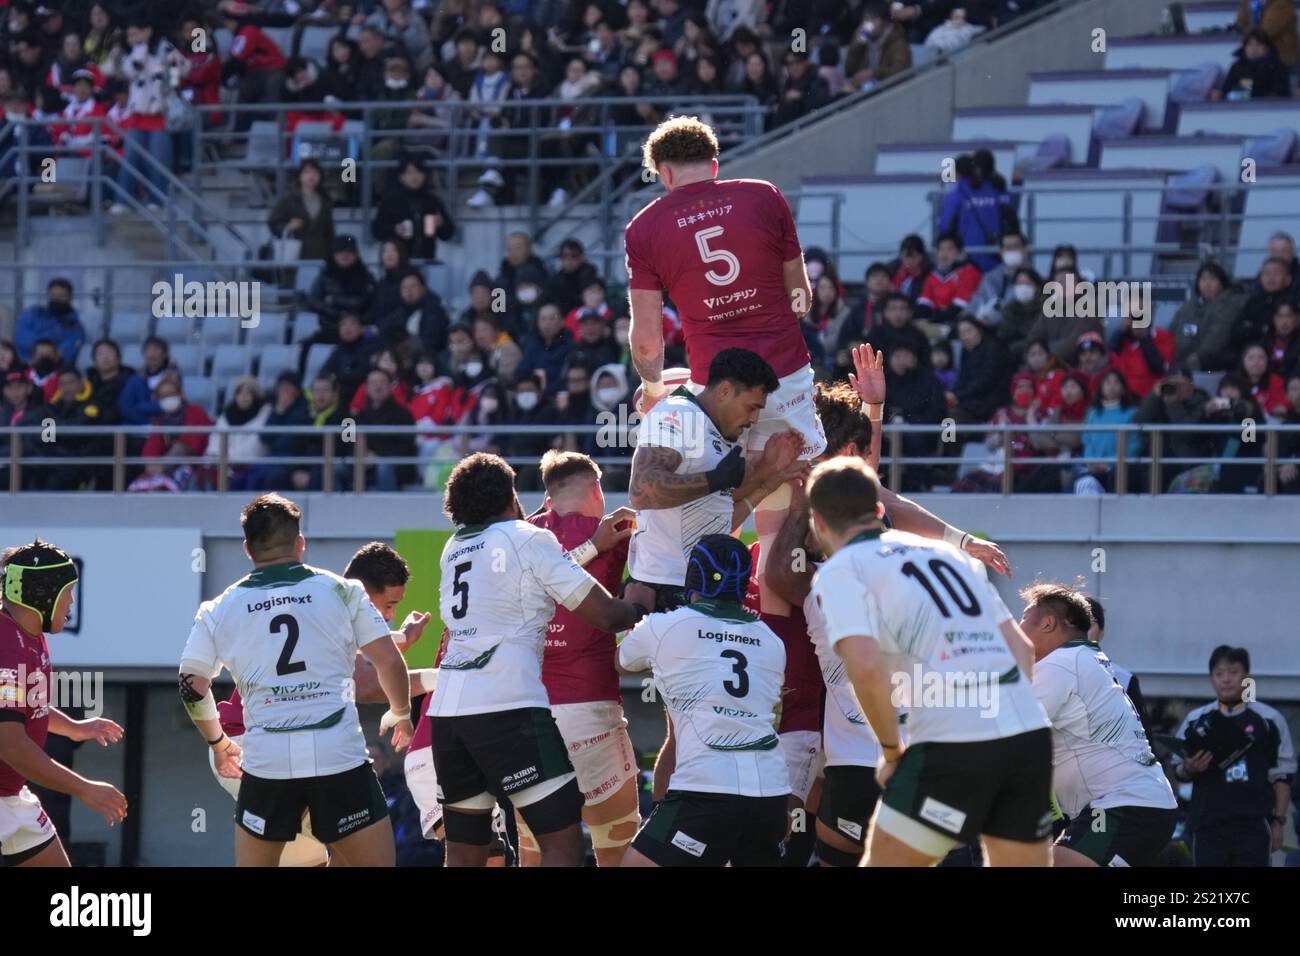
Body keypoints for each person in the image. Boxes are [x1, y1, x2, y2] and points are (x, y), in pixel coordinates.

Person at [626, 116, 826, 618]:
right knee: (794, 532)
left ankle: (700, 638)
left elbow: (648, 342)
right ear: (714, 165)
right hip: (787, 378)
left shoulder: (645, 227)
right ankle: (802, 660)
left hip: (716, 395)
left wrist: (655, 387)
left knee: (712, 524)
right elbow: (800, 297)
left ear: (663, 173)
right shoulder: (763, 195)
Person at [807, 457, 1052, 866]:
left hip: (949, 746)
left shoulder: (841, 571)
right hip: (1027, 738)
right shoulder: (954, 557)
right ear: (880, 511)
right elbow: (1022, 651)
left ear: (818, 522)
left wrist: (891, 752)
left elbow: (865, 670)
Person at [426, 453, 645, 867]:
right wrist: (641, 609)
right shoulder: (529, 537)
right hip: (509, 708)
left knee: (464, 853)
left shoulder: (453, 548)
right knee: (562, 843)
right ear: (510, 496)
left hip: (449, 715)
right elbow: (602, 614)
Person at [178, 494, 414, 867]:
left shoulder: (219, 608)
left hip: (266, 764)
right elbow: (388, 659)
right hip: (338, 757)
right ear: (300, 543)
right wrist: (401, 712)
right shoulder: (342, 589)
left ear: (247, 549)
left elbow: (191, 686)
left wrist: (218, 742)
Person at [617, 534, 789, 866]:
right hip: (771, 793)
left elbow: (622, 663)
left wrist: (638, 607)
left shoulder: (664, 627)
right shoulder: (772, 640)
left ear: (692, 577)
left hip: (706, 790)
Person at [520, 451, 640, 866]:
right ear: (596, 491)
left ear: (548, 497)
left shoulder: (521, 536)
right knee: (617, 840)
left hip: (529, 713)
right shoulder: (616, 532)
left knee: (536, 846)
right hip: (591, 708)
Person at [626, 348, 803, 612]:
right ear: (724, 391)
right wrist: (716, 478)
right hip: (664, 588)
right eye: (751, 407)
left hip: (704, 587)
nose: (754, 419)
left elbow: (714, 517)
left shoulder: (720, 431)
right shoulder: (678, 413)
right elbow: (642, 491)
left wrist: (768, 477)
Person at [1020, 583, 1177, 867]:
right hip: (1131, 807)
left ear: (1047, 623)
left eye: (1023, 618)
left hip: (1126, 807)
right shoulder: (1085, 658)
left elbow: (1009, 731)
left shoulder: (1061, 664)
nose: (1017, 629)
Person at [0, 539, 127, 867]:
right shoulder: (6, 647)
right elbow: (11, 745)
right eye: (67, 590)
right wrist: (84, 789)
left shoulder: (28, 635)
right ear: (43, 592)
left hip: (10, 797)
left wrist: (74, 728)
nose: (71, 601)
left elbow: (30, 706)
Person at [1171, 646, 1296, 866]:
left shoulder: (1268, 720)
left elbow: (1282, 776)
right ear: (1211, 680)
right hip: (1207, 826)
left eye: (1233, 672)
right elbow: (1177, 771)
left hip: (1253, 826)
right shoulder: (1195, 719)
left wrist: (1279, 821)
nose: (1226, 679)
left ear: (1247, 677)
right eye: (1219, 674)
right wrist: (1190, 768)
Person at [371, 156, 456, 262]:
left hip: (427, 259)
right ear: (401, 177)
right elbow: (377, 231)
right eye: (409, 173)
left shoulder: (432, 201)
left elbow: (448, 234)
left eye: (418, 172)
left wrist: (441, 224)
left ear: (424, 175)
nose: (414, 177)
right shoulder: (391, 201)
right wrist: (395, 229)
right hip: (400, 262)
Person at [1170, 262, 1244, 372]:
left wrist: (1199, 356)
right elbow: (1172, 330)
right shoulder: (1189, 306)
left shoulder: (1228, 305)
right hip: (1179, 362)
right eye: (1203, 279)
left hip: (1208, 363)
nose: (1207, 284)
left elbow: (1217, 335)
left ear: (1222, 283)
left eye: (1212, 279)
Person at [306, 235, 377, 344]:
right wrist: (334, 312)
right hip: (331, 327)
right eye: (340, 251)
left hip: (360, 329)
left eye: (349, 251)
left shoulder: (366, 276)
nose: (344, 255)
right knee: (306, 347)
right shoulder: (325, 275)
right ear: (333, 255)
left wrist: (335, 302)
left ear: (356, 254)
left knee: (377, 341)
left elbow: (373, 303)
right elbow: (313, 300)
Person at [268, 159, 336, 264]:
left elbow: (329, 231)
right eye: (307, 172)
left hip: (320, 254)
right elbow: (273, 222)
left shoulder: (325, 200)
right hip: (295, 255)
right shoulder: (288, 199)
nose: (311, 176)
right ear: (299, 176)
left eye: (315, 172)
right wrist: (288, 227)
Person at [15, 278, 84, 365]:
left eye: (62, 295)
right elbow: (21, 336)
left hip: (57, 371)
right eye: (53, 295)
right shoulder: (32, 313)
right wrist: (39, 348)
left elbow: (67, 353)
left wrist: (47, 351)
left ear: (70, 298)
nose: (56, 299)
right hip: (26, 366)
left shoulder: (76, 328)